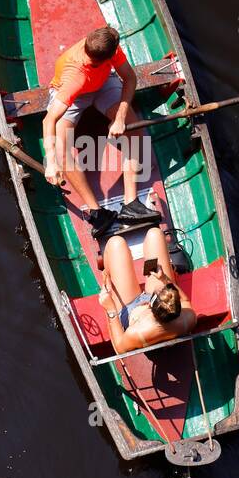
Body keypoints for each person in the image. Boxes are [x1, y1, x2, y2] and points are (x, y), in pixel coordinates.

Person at [42, 25, 158, 237]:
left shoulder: (107, 43)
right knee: (62, 147)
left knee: (135, 131)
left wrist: (120, 118)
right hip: (73, 96)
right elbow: (49, 119)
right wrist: (51, 162)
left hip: (103, 85)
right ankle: (97, 213)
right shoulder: (74, 77)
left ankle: (131, 204)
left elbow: (130, 79)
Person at [97, 227, 197, 353]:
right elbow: (185, 301)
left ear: (151, 306)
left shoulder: (138, 333)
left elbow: (119, 348)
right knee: (155, 234)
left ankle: (107, 270)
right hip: (158, 309)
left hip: (130, 309)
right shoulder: (187, 319)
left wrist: (110, 308)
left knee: (115, 243)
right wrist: (165, 279)